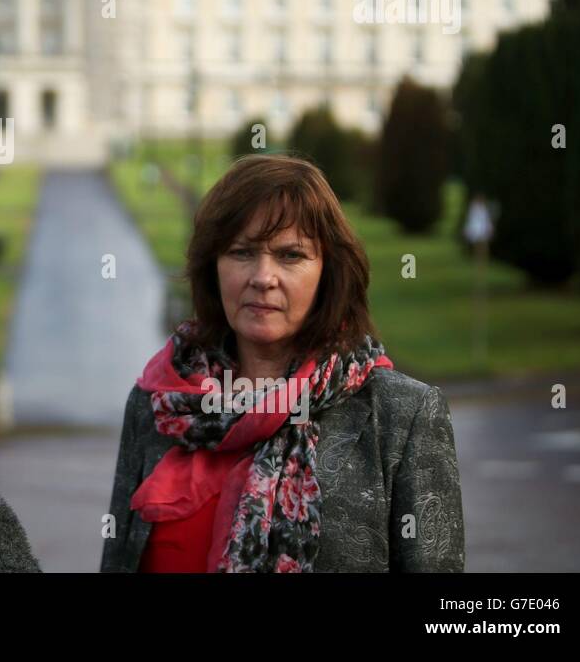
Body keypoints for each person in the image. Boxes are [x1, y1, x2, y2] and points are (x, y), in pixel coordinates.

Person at [101, 154, 464, 572]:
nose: (263, 276)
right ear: (212, 267)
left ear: (329, 271)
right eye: (241, 252)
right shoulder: (158, 403)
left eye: (290, 255)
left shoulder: (402, 417)